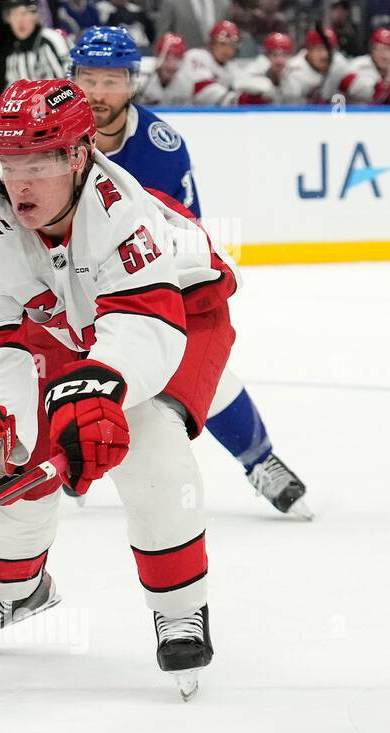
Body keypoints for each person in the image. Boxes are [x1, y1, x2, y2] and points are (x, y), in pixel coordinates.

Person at [0, 78, 237, 698]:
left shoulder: (125, 214)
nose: (19, 181)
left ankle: (180, 607)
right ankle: (12, 593)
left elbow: (145, 331)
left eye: (40, 161)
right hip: (76, 319)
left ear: (78, 156)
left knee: (151, 446)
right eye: (8, 160)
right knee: (14, 464)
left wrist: (97, 388)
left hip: (179, 317)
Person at [69, 26, 311, 515]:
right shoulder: (51, 131)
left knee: (197, 362)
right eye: (87, 78)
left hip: (137, 285)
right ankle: (43, 463)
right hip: (62, 287)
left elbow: (182, 239)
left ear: (133, 83)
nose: (97, 92)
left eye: (111, 79)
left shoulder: (160, 147)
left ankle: (258, 459)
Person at [0, 0, 69, 87]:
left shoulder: (53, 39)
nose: (19, 20)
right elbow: (12, 91)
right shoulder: (13, 54)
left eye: (23, 13)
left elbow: (71, 79)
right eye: (14, 15)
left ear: (35, 15)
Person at [280, 26, 362, 104]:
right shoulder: (294, 71)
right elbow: (292, 111)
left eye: (329, 50)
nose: (325, 55)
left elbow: (360, 91)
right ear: (309, 50)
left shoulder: (338, 62)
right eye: (319, 49)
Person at [138, 31, 187, 104]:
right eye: (166, 59)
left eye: (177, 59)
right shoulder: (141, 79)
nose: (171, 65)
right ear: (157, 56)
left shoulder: (186, 83)